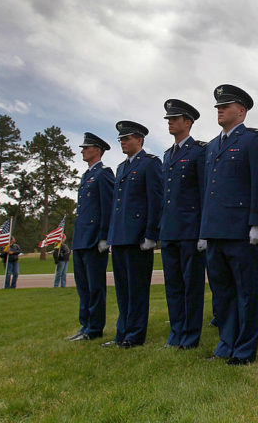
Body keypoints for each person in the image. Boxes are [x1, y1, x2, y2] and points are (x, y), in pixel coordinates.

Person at [200, 84, 258, 366]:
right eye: (218, 106)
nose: (219, 110)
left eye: (225, 106)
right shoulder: (213, 145)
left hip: (242, 231)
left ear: (241, 111)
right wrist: (204, 230)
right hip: (216, 230)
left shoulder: (253, 141)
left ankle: (244, 349)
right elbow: (209, 190)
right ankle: (226, 343)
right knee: (222, 292)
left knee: (247, 292)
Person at [103, 121, 163, 349]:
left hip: (138, 238)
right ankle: (122, 333)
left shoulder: (150, 164)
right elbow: (118, 206)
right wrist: (112, 236)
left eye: (127, 138)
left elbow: (155, 200)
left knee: (137, 289)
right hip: (120, 237)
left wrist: (151, 234)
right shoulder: (121, 168)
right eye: (121, 139)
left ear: (140, 140)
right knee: (122, 290)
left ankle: (135, 335)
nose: (123, 142)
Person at [159, 99, 207, 350]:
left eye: (175, 119)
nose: (170, 122)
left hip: (190, 230)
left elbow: (203, 192)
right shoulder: (168, 155)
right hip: (170, 230)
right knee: (173, 286)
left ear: (187, 122)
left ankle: (190, 337)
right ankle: (176, 333)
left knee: (191, 286)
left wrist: (203, 231)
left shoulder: (199, 151)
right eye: (168, 119)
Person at [68, 132, 114, 342]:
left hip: (95, 240)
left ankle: (94, 328)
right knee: (83, 287)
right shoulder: (86, 176)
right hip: (81, 240)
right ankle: (85, 325)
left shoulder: (104, 174)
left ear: (97, 150)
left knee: (95, 287)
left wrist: (104, 237)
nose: (83, 151)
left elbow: (107, 207)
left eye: (86, 148)